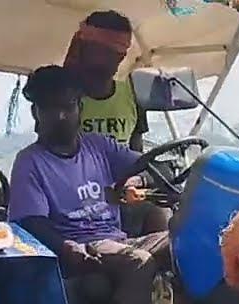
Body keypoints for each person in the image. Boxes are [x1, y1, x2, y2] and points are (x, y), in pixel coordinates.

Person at [7, 65, 167, 304]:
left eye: (69, 106)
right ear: (36, 115)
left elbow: (145, 166)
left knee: (187, 239)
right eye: (51, 109)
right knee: (138, 262)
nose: (62, 116)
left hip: (118, 239)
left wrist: (138, 182)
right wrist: (68, 248)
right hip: (83, 246)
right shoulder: (30, 163)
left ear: (80, 108)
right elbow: (31, 221)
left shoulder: (97, 146)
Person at [62, 9, 170, 237]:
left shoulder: (131, 94)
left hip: (123, 195)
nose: (111, 58)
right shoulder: (62, 99)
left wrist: (136, 181)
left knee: (161, 212)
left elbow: (137, 153)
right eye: (102, 51)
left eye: (117, 52)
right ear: (84, 48)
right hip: (75, 200)